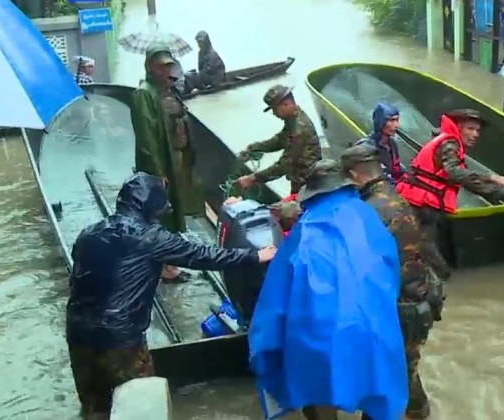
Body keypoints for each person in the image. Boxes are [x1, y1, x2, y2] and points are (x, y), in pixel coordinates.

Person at [66, 172, 277, 419]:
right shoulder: (152, 237)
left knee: (94, 407)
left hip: (77, 333)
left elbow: (79, 277)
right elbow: (202, 255)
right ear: (151, 207)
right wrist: (254, 256)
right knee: (144, 404)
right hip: (120, 338)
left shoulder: (89, 233)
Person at [249, 160, 408, 420]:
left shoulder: (304, 230)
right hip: (374, 327)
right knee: (377, 383)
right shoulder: (368, 216)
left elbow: (274, 302)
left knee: (319, 391)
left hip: (319, 334)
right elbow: (391, 275)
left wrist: (263, 349)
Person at [341, 145, 447, 420]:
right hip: (422, 298)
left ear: (354, 176)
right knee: (405, 370)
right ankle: (418, 413)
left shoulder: (367, 212)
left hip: (404, 309)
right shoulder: (394, 197)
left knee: (390, 376)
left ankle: (416, 413)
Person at [395, 109, 504, 247]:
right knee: (427, 252)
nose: (475, 134)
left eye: (478, 131)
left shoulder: (447, 141)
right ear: (458, 128)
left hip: (422, 205)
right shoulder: (450, 143)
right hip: (423, 207)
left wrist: (494, 181)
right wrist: (503, 191)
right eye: (470, 129)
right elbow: (455, 172)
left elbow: (465, 174)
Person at [131, 43, 204, 283]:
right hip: (162, 165)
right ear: (150, 67)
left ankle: (168, 260)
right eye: (160, 66)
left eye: (168, 65)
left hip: (176, 162)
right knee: (162, 214)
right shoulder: (145, 94)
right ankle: (166, 266)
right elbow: (146, 137)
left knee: (173, 211)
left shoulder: (168, 90)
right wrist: (156, 172)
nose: (165, 71)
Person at [235, 85, 322, 194]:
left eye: (275, 109)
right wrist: (253, 148)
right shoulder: (294, 120)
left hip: (308, 186)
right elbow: (279, 140)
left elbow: (284, 166)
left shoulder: (299, 128)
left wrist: (252, 179)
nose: (274, 114)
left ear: (286, 104)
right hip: (301, 182)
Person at [355, 102, 404, 184]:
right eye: (391, 120)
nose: (396, 125)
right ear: (381, 122)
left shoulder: (392, 145)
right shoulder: (366, 147)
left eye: (397, 120)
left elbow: (396, 172)